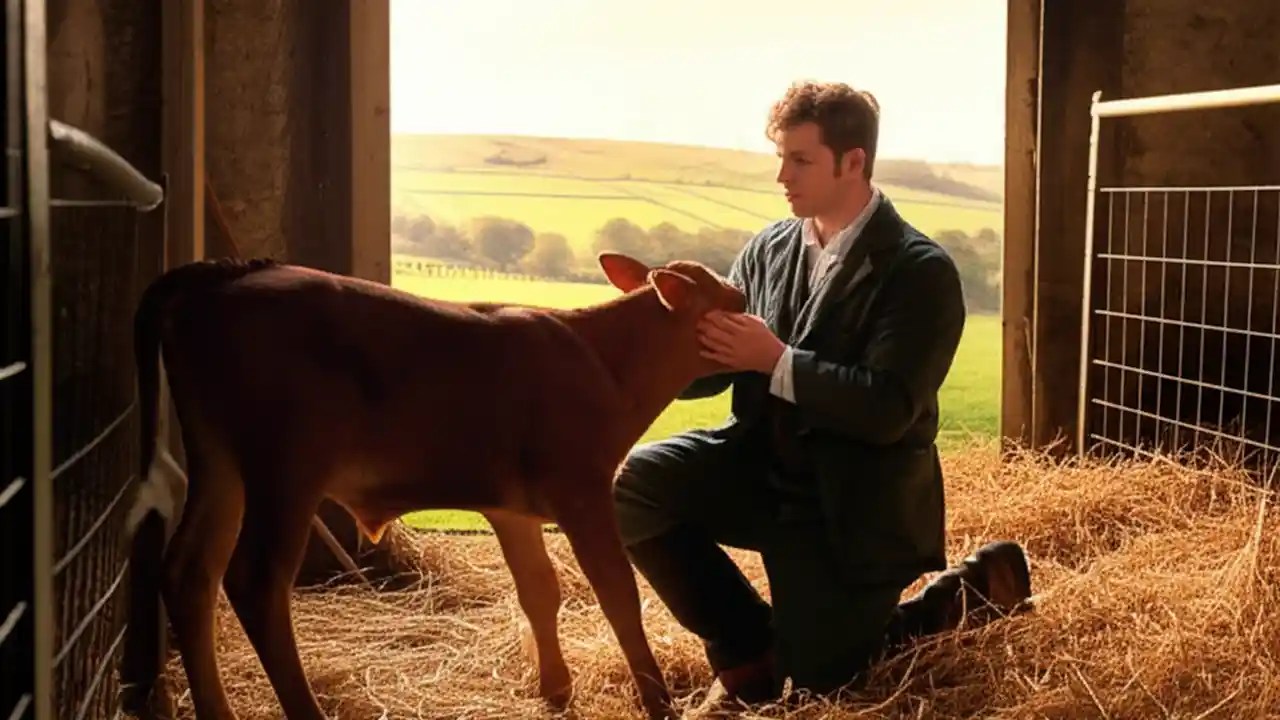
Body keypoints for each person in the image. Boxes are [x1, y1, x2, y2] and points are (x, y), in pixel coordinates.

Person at [611, 80, 1033, 709]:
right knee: (634, 487)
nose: (782, 175)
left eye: (800, 159)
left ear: (854, 162)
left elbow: (888, 409)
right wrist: (660, 341)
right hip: (759, 468)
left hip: (850, 501)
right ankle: (748, 646)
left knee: (826, 680)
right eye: (780, 157)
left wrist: (777, 359)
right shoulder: (769, 247)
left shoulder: (920, 272)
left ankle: (965, 592)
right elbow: (720, 366)